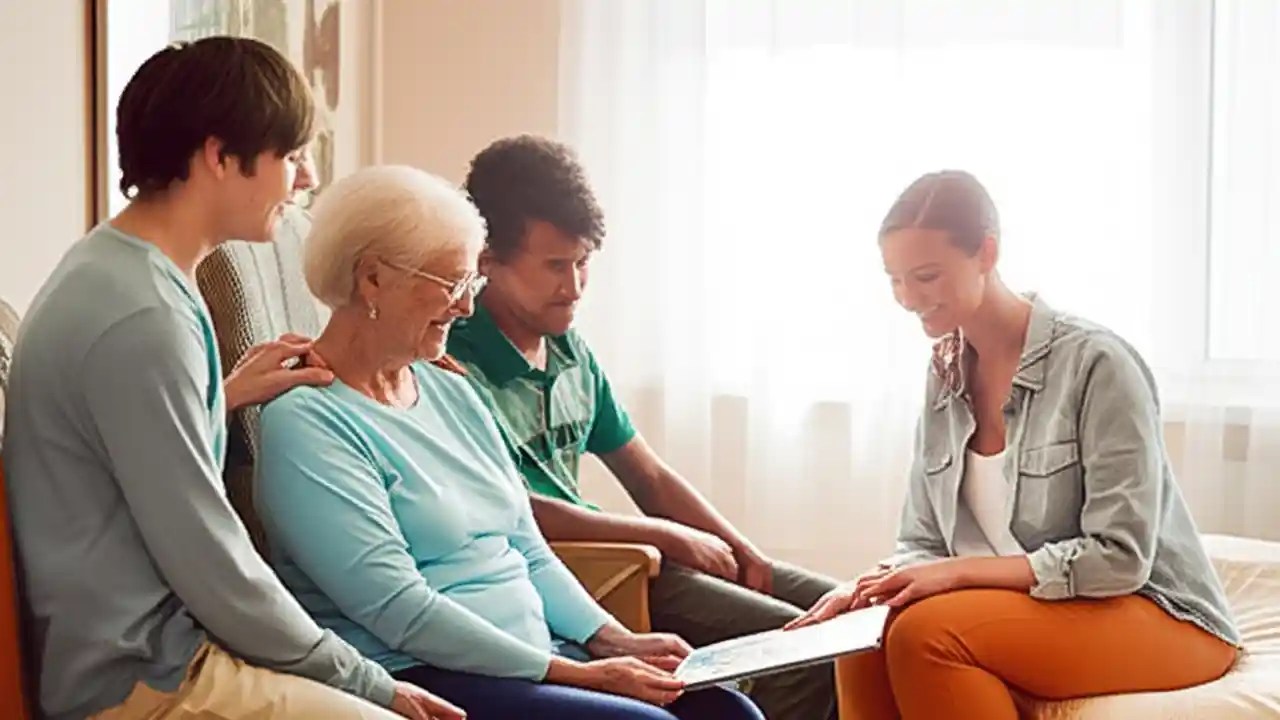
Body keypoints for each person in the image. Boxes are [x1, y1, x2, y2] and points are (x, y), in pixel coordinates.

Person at [2, 37, 456, 720]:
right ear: (219, 157)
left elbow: (129, 460)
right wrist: (367, 680)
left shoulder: (122, 271)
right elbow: (215, 568)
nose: (303, 181)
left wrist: (222, 396)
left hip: (165, 649)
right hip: (142, 679)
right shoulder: (141, 315)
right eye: (292, 157)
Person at [253, 164, 764, 720]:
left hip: (535, 655)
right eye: (451, 284)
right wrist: (579, 673)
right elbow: (400, 610)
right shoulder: (308, 423)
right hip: (428, 673)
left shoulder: (450, 390)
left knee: (728, 711)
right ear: (372, 279)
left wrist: (612, 639)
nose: (466, 307)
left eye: (468, 283)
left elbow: (526, 544)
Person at [787, 170, 1242, 720]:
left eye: (926, 276)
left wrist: (956, 574)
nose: (908, 298)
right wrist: (870, 588)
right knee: (863, 636)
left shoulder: (1096, 364)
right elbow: (922, 539)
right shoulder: (946, 372)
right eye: (895, 280)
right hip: (1041, 604)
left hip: (1157, 611)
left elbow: (1120, 558)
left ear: (987, 252)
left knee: (927, 635)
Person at [448, 135, 840, 720]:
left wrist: (740, 547)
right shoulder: (455, 358)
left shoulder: (568, 349)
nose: (574, 286)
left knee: (846, 612)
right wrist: (665, 536)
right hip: (588, 570)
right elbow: (511, 508)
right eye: (555, 266)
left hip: (637, 551)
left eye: (583, 263)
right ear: (487, 260)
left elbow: (648, 474)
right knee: (801, 652)